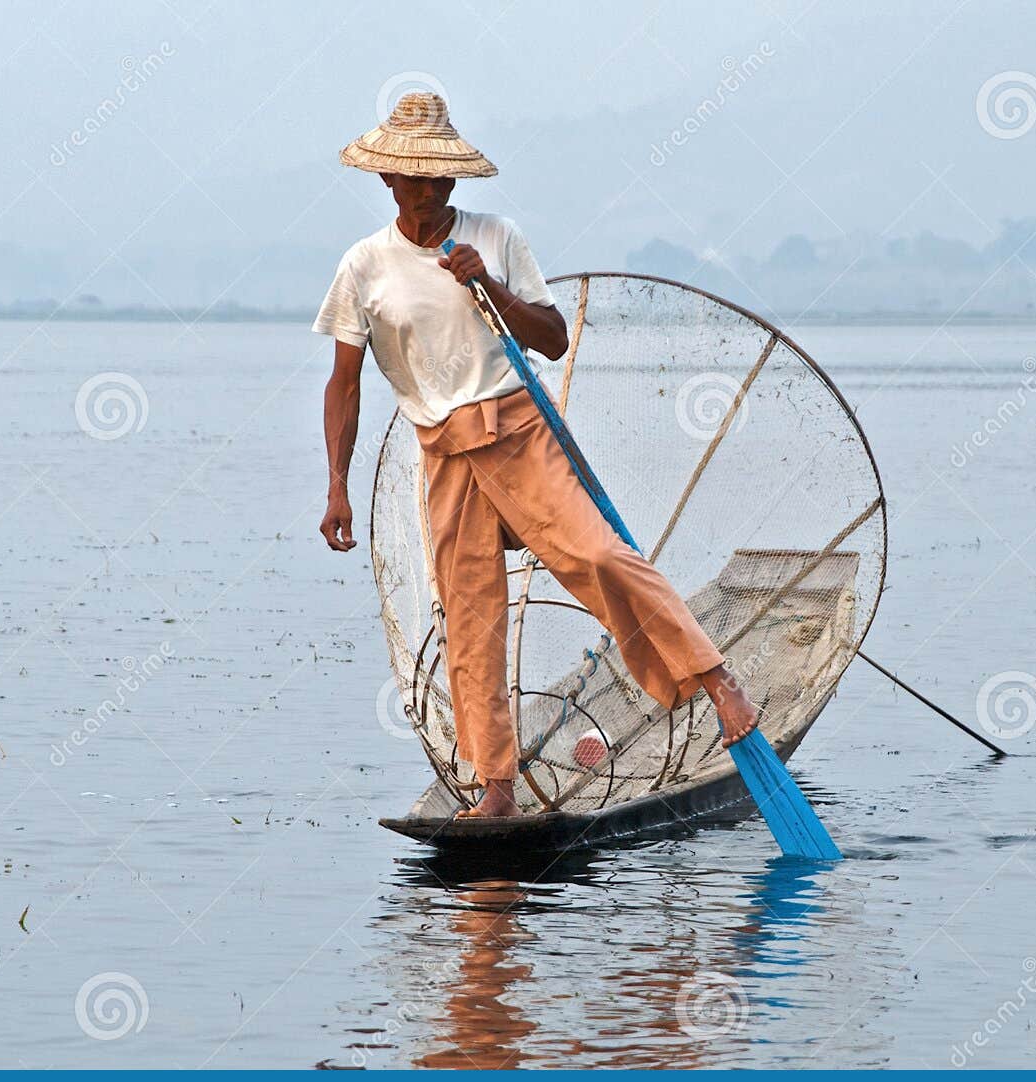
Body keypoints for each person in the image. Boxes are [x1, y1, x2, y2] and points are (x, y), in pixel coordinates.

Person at [316, 92, 759, 818]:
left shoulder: (495, 237)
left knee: (601, 557)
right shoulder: (364, 266)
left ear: (454, 183)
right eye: (414, 178)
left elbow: (550, 338)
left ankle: (715, 679)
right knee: (470, 618)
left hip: (517, 430)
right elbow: (343, 384)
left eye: (440, 179)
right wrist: (336, 485)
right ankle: (496, 786)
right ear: (389, 181)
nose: (429, 191)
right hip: (446, 453)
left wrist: (484, 283)